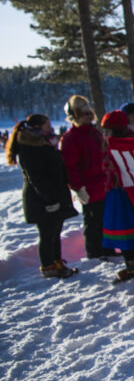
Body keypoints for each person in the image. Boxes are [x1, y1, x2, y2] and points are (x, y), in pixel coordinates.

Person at [6, 114, 79, 277]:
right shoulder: (30, 146)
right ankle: (48, 267)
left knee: (55, 231)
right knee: (47, 234)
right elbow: (36, 177)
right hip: (41, 199)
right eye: (47, 125)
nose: (51, 127)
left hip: (54, 194)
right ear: (38, 127)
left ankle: (57, 262)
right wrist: (49, 198)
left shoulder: (46, 143)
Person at [59, 95, 114, 260]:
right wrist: (77, 188)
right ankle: (95, 253)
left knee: (106, 220)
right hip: (90, 187)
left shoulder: (93, 132)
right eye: (83, 113)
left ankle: (108, 249)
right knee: (93, 222)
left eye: (88, 112)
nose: (87, 116)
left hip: (104, 184)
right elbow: (71, 167)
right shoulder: (71, 138)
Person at [101, 110, 134, 282]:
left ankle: (133, 265)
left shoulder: (126, 143)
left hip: (125, 193)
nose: (105, 134)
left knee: (127, 229)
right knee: (124, 230)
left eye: (108, 130)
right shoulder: (112, 143)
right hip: (116, 191)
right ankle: (132, 264)